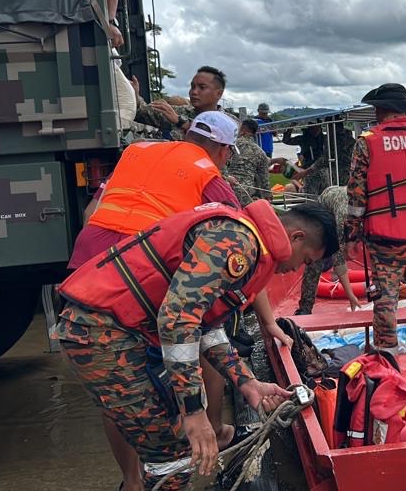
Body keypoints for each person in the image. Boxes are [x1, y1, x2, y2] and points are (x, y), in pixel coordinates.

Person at [54, 201, 339, 491]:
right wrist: (193, 411)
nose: (295, 270)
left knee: (171, 443)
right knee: (169, 449)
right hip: (101, 333)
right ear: (297, 237)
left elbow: (206, 325)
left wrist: (247, 382)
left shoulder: (243, 237)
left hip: (114, 330)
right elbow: (179, 321)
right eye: (305, 261)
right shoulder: (238, 244)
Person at [344, 83, 406, 356]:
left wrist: (352, 232)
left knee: (386, 300)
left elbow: (356, 194)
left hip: (385, 241)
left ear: (381, 110)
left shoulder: (367, 142)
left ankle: (386, 357)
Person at [69, 111, 241, 269]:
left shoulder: (136, 153)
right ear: (224, 149)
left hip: (90, 247)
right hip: (143, 256)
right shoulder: (208, 176)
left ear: (187, 135)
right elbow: (241, 235)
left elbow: (90, 212)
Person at [296, 185, 359, 315]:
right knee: (315, 260)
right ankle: (305, 309)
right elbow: (339, 261)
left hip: (342, 200)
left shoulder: (364, 219)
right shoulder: (341, 222)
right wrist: (351, 295)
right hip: (324, 208)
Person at [135, 66, 227, 140]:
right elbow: (142, 112)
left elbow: (213, 138)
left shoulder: (229, 123)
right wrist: (135, 95)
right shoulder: (176, 112)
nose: (194, 92)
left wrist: (181, 123)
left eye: (202, 87)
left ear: (219, 93)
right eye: (192, 87)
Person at [224, 118, 276, 207]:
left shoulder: (229, 145)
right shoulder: (260, 152)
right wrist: (268, 196)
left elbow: (220, 166)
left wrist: (226, 177)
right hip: (246, 192)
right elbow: (264, 179)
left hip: (226, 188)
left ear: (243, 129)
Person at [283, 124, 329, 196]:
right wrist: (290, 128)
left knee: (325, 193)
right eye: (313, 128)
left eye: (317, 128)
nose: (315, 130)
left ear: (320, 128)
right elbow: (286, 140)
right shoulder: (303, 139)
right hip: (308, 171)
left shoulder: (325, 138)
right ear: (309, 129)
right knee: (311, 196)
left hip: (323, 170)